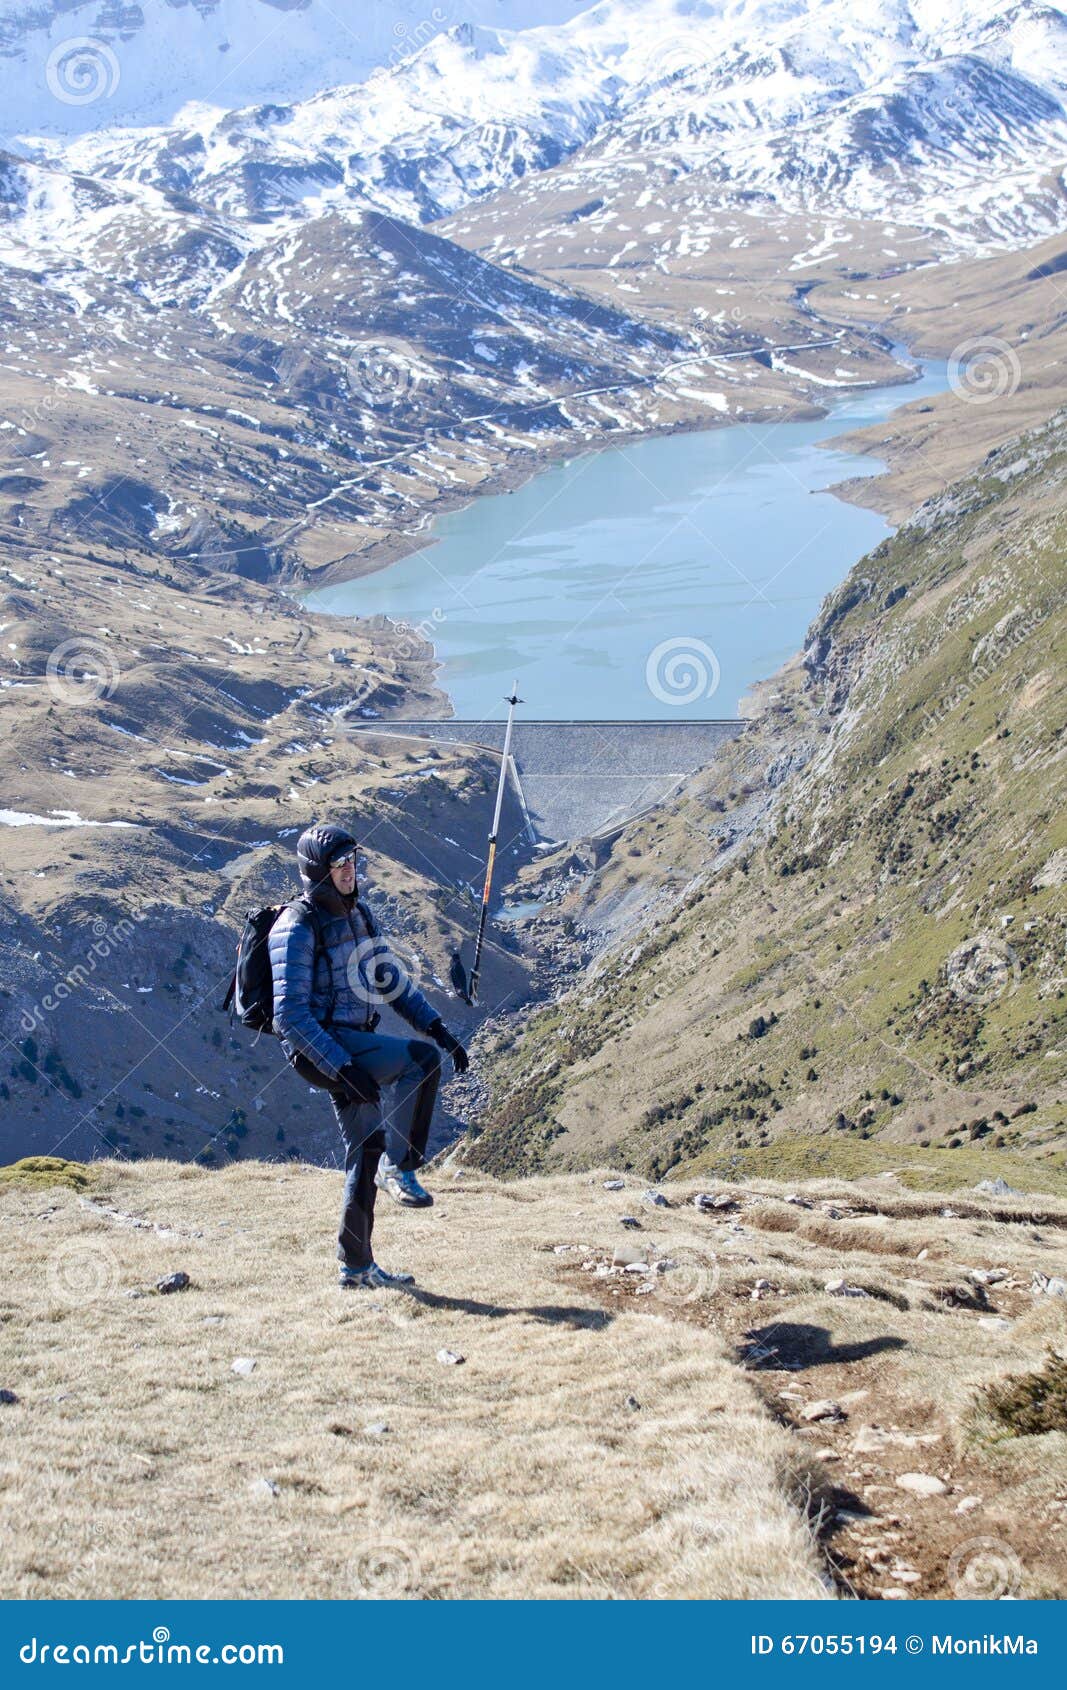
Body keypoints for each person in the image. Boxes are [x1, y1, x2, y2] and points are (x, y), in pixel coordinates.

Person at [269, 822, 469, 1289]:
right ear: (316, 871)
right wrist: (343, 1067)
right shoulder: (296, 926)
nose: (349, 870)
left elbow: (389, 980)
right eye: (339, 864)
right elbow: (290, 1018)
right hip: (321, 1049)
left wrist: (438, 1027)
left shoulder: (359, 915)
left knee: (365, 1148)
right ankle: (400, 1169)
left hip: (349, 1048)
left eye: (353, 861)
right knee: (420, 1063)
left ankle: (355, 1268)